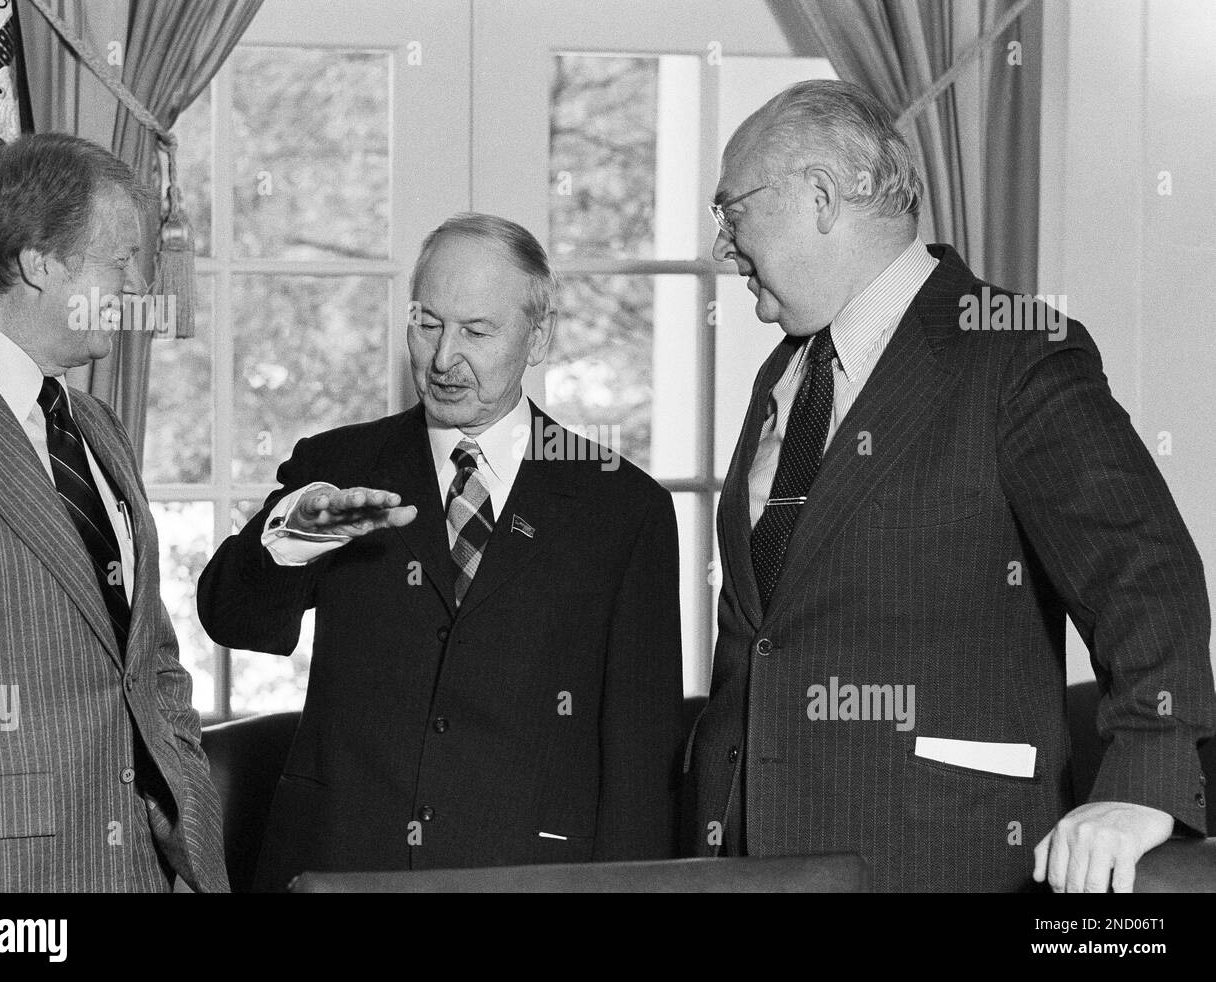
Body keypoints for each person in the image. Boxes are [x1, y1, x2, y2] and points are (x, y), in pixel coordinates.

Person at [685, 79, 1215, 892]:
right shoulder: (784, 374)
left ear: (820, 196)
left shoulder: (1015, 354)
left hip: (940, 858)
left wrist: (1144, 788)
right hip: (749, 870)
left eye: (732, 212)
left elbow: (1146, 574)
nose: (723, 246)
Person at [198, 212, 684, 890]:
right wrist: (293, 537)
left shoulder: (624, 508)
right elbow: (233, 618)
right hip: (341, 866)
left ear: (537, 338)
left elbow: (638, 756)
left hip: (529, 874)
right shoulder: (338, 465)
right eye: (427, 323)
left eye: (477, 331)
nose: (443, 356)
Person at [0, 133, 228, 891]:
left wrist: (192, 853)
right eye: (120, 260)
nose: (140, 285)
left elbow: (150, 665)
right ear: (38, 260)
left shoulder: (96, 427)